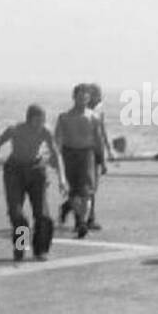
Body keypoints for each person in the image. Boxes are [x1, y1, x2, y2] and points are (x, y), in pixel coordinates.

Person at [0, 105, 66, 261]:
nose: (40, 124)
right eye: (37, 120)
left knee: (43, 215)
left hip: (36, 170)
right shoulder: (14, 130)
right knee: (18, 215)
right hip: (14, 171)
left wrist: (62, 178)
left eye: (43, 120)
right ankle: (21, 247)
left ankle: (40, 250)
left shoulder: (45, 131)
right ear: (29, 119)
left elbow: (56, 154)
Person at [54, 84, 105, 239]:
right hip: (69, 154)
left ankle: (82, 221)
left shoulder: (93, 117)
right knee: (73, 192)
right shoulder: (64, 117)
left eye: (86, 97)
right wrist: (55, 158)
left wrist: (102, 161)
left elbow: (98, 140)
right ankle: (80, 218)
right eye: (80, 96)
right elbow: (57, 140)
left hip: (87, 155)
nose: (83, 99)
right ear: (74, 97)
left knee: (87, 192)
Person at [83, 83, 115, 230]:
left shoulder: (99, 112)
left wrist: (108, 150)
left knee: (92, 186)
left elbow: (103, 132)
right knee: (87, 186)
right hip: (84, 152)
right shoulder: (82, 112)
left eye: (99, 94)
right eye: (96, 94)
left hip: (96, 151)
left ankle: (87, 216)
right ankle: (88, 218)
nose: (99, 98)